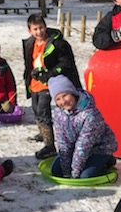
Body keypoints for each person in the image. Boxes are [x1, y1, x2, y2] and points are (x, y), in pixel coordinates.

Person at [22, 13, 82, 160]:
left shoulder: (58, 43)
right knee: (36, 110)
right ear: (29, 30)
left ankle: (49, 146)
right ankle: (44, 133)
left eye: (41, 28)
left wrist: (48, 74)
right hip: (34, 83)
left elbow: (66, 64)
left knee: (43, 111)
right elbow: (28, 63)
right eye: (35, 29)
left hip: (51, 83)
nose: (39, 32)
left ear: (45, 26)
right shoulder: (30, 43)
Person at [47, 75, 118, 178]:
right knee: (57, 171)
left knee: (85, 176)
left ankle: (107, 160)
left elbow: (83, 145)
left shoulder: (90, 114)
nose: (63, 101)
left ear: (72, 93)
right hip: (76, 149)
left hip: (99, 148)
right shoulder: (59, 113)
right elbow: (63, 142)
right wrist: (66, 171)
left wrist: (75, 172)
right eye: (58, 99)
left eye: (65, 95)